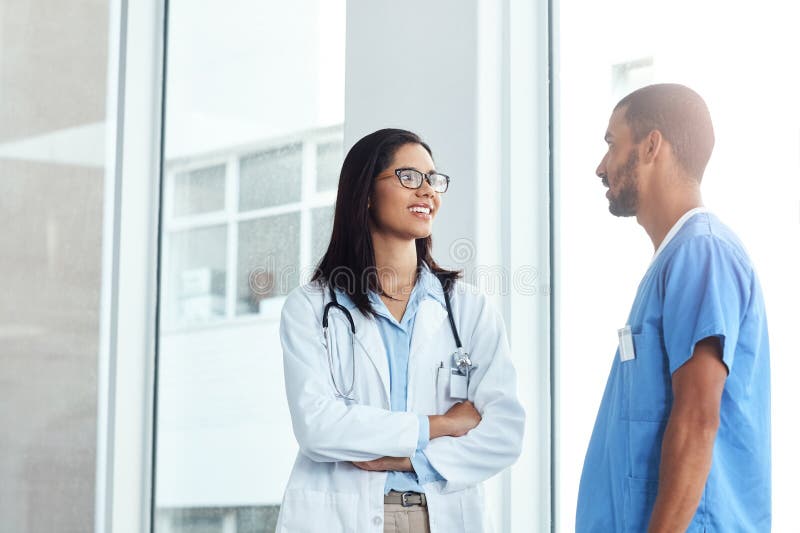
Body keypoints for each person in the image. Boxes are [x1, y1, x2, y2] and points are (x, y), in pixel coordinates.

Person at [276, 128, 525, 533]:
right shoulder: (311, 308)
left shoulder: (469, 309)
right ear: (367, 193)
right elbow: (318, 427)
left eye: (433, 179)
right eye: (409, 177)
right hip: (342, 516)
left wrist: (408, 459)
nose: (427, 191)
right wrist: (440, 425)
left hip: (440, 515)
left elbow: (504, 434)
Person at [576, 84, 771, 532]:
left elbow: (698, 419)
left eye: (611, 143)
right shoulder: (677, 259)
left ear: (651, 145)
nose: (600, 167)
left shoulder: (702, 253)